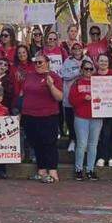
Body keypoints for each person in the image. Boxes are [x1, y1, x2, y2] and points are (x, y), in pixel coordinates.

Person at [20, 52, 64, 183]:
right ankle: (41, 171)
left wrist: (51, 86)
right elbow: (24, 93)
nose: (37, 65)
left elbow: (59, 97)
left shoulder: (54, 77)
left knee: (49, 143)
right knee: (36, 143)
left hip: (48, 116)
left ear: (47, 63)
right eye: (36, 62)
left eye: (40, 62)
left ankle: (53, 172)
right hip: (30, 115)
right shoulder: (30, 75)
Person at [69, 59, 102, 180]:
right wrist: (84, 97)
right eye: (86, 69)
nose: (88, 71)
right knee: (82, 144)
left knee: (93, 144)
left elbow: (105, 96)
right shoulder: (77, 83)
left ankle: (90, 169)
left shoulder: (99, 82)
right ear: (81, 70)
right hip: (81, 117)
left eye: (91, 69)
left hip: (96, 116)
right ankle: (78, 169)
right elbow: (71, 100)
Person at [61, 42, 85, 152]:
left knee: (83, 120)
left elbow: (91, 71)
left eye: (79, 48)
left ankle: (81, 142)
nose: (77, 50)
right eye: (74, 48)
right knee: (71, 121)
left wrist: (83, 72)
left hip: (84, 95)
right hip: (69, 95)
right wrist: (78, 72)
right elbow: (65, 75)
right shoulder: (68, 61)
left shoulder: (87, 59)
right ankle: (72, 140)